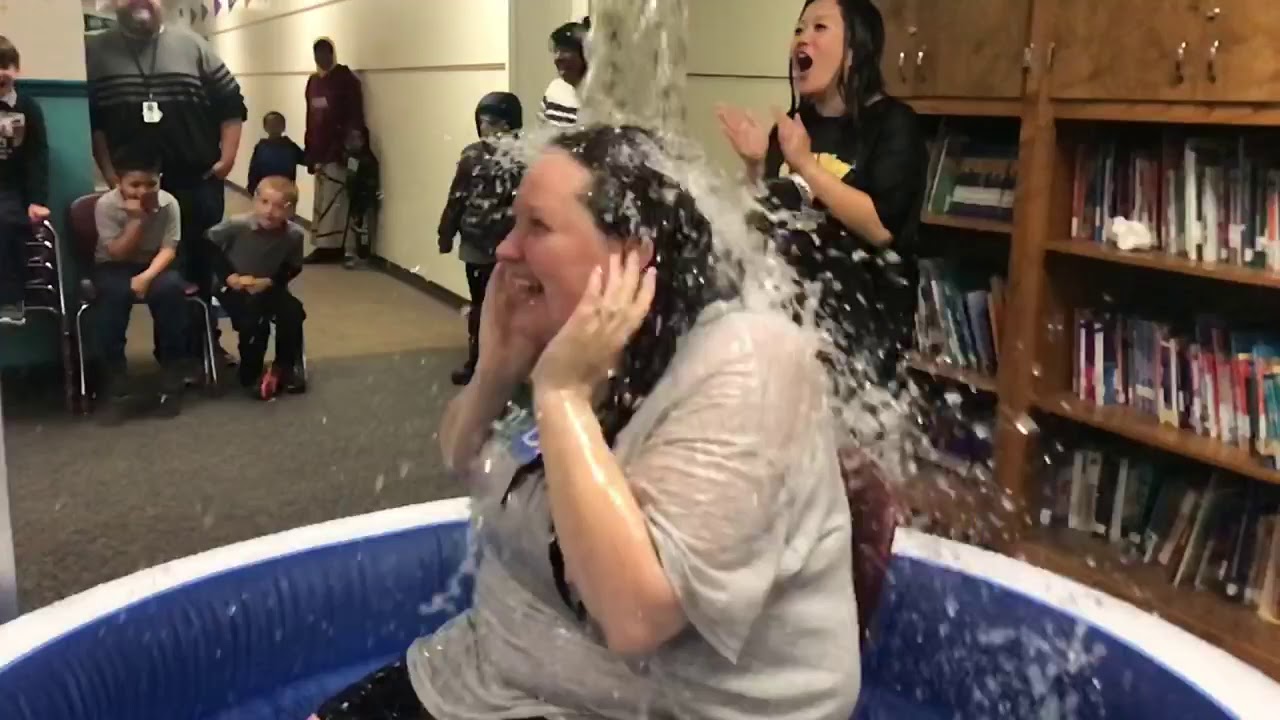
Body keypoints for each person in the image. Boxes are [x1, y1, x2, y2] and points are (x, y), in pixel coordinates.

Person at [308, 126, 859, 719]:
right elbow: (462, 457)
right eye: (513, 223)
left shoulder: (749, 362)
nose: (505, 250)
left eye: (537, 227)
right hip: (496, 674)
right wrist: (496, 369)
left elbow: (636, 618)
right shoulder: (588, 342)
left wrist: (563, 396)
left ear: (632, 253)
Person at [717, 0, 929, 386]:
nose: (803, 39)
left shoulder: (894, 124)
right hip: (792, 319)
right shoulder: (794, 127)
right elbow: (765, 221)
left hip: (863, 329)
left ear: (855, 49)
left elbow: (881, 228)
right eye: (799, 29)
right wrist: (754, 165)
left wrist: (806, 165)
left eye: (820, 28)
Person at [86, 0, 247, 364]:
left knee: (200, 266)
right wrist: (109, 173)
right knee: (140, 269)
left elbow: (231, 105)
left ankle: (202, 346)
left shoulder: (193, 45)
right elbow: (95, 121)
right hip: (132, 186)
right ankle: (157, 360)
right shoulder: (96, 51)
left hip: (195, 181)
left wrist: (226, 160)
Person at [91, 149, 188, 422]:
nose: (143, 191)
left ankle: (171, 376)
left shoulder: (169, 204)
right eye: (134, 184)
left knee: (170, 290)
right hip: (115, 264)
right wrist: (137, 220)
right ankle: (116, 381)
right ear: (120, 183)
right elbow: (117, 252)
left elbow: (169, 249)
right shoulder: (106, 205)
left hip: (155, 263)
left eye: (150, 184)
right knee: (112, 296)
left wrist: (146, 277)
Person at [437, 90, 524, 386]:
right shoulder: (472, 155)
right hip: (476, 243)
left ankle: (506, 364)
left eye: (492, 122)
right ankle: (478, 361)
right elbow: (458, 196)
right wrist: (446, 232)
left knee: (509, 306)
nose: (486, 128)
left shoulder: (525, 157)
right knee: (480, 305)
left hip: (511, 246)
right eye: (482, 122)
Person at [208, 176, 307, 399]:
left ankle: (284, 367)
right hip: (233, 287)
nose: (270, 211)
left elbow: (292, 266)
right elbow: (209, 246)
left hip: (267, 286)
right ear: (255, 200)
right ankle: (250, 371)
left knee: (293, 312)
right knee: (253, 319)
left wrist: (271, 281)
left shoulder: (294, 235)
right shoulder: (237, 225)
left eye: (279, 207)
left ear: (290, 210)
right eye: (264, 202)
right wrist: (229, 276)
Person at [0, 35, 50, 326]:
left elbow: (37, 156)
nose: (0, 73)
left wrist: (37, 200)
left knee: (7, 221)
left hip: (12, 188)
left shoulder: (27, 106)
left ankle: (10, 298)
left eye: (5, 66)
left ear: (16, 69)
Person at [305, 37, 365, 263]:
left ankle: (336, 247)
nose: (321, 59)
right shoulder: (313, 82)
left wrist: (349, 149)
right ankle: (324, 245)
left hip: (339, 151)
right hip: (319, 151)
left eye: (325, 53)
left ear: (332, 54)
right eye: (317, 54)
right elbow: (310, 117)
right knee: (322, 200)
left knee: (338, 199)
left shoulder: (345, 80)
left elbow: (354, 117)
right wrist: (310, 150)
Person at [340, 125, 379, 269]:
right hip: (356, 196)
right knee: (356, 226)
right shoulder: (353, 157)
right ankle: (353, 253)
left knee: (362, 228)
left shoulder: (363, 159)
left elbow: (354, 178)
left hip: (363, 196)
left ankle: (361, 255)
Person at [541, 17, 590, 127]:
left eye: (565, 51)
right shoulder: (554, 89)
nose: (558, 58)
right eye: (556, 51)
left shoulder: (599, 96)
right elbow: (541, 128)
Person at [246, 111, 305, 196]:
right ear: (265, 127)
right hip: (264, 191)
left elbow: (306, 160)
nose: (274, 127)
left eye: (277, 124)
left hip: (285, 191)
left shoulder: (290, 147)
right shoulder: (261, 147)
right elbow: (253, 171)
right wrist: (251, 190)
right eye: (271, 124)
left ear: (283, 127)